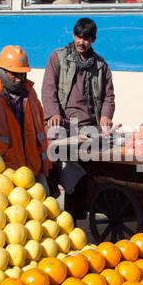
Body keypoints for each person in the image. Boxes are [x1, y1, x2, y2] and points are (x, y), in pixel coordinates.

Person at [42, 19, 116, 210]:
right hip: (63, 122)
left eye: (86, 38)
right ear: (73, 36)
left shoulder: (101, 65)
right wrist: (52, 114)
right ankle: (49, 198)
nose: (81, 42)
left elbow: (109, 95)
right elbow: (48, 88)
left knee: (90, 160)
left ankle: (74, 212)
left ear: (93, 40)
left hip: (87, 125)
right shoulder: (58, 57)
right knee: (52, 147)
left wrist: (106, 115)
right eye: (78, 37)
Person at [0, 45, 49, 179]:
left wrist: (46, 168)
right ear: (2, 71)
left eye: (22, 74)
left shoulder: (31, 94)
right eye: (14, 74)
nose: (19, 79)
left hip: (33, 172)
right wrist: (6, 149)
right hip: (5, 175)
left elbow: (40, 132)